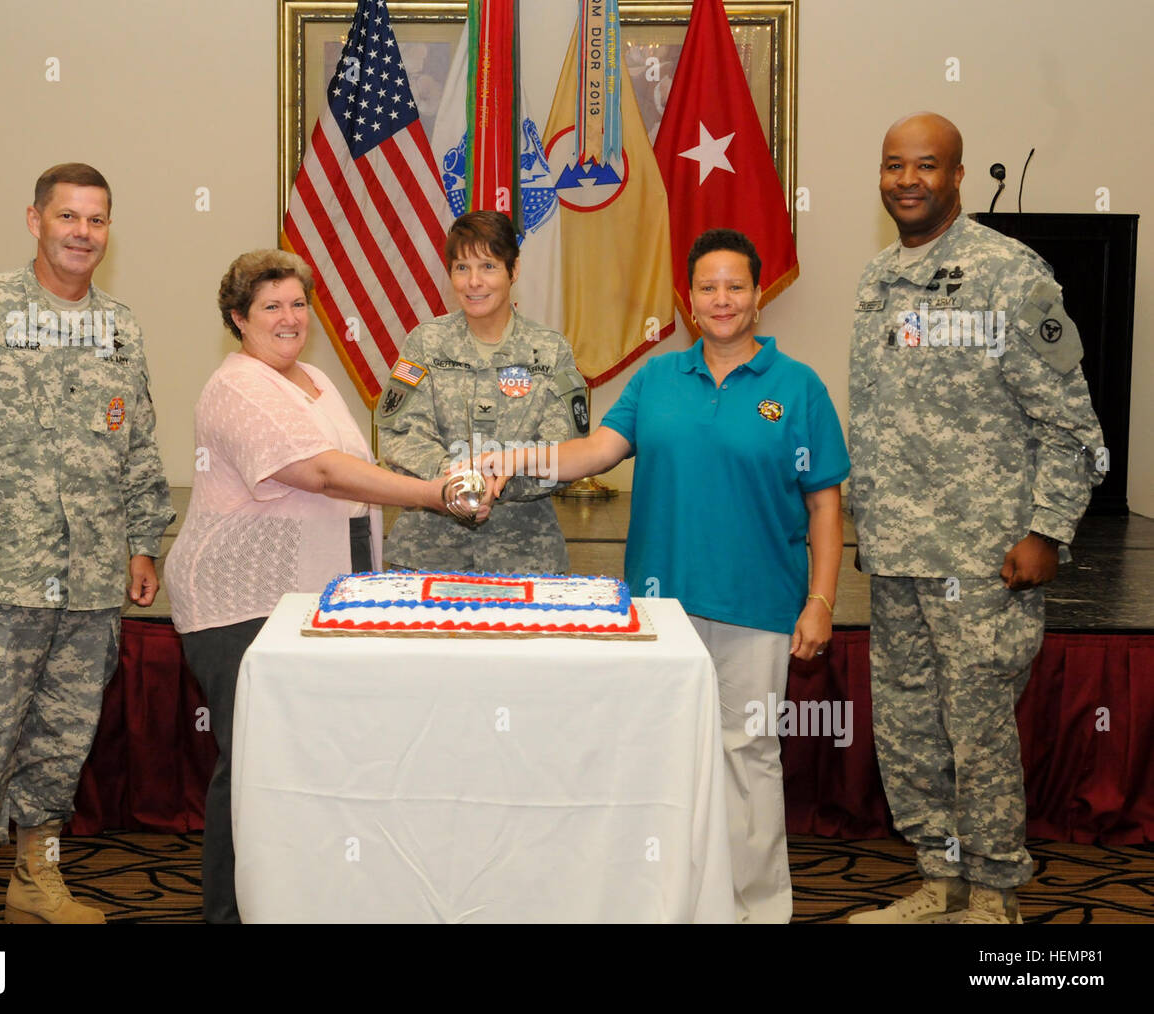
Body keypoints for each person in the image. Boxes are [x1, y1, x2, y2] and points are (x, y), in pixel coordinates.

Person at [478, 228, 850, 922]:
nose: (721, 299)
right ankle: (672, 902)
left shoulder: (798, 388)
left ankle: (757, 908)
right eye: (707, 287)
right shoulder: (655, 381)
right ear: (687, 299)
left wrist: (822, 601)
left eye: (735, 286)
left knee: (749, 757)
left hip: (760, 607)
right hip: (659, 615)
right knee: (664, 758)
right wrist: (512, 460)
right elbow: (593, 454)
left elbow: (825, 503)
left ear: (758, 296)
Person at [0, 163, 174, 924]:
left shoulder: (121, 326)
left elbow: (138, 444)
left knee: (62, 741)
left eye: (97, 220)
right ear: (35, 220)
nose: (83, 233)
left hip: (87, 582)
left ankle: (35, 879)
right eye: (69, 217)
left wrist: (144, 542)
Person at [846, 113, 1104, 925]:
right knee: (910, 726)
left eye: (926, 166)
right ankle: (938, 879)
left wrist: (1048, 529)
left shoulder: (1010, 274)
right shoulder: (878, 277)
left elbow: (1071, 422)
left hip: (984, 558)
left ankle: (993, 894)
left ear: (957, 176)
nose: (907, 180)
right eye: (894, 166)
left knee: (980, 730)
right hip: (897, 554)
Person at [164, 249, 471, 923]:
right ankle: (229, 913)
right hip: (240, 606)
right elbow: (326, 476)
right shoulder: (239, 387)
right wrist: (432, 494)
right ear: (237, 319)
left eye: (298, 303)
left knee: (297, 769)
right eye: (270, 306)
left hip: (310, 606)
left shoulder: (313, 378)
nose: (289, 317)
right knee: (249, 771)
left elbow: (350, 479)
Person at [377, 209, 589, 574]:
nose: (474, 282)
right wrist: (457, 483)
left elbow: (566, 449)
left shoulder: (550, 350)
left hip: (526, 557)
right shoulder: (426, 343)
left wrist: (498, 484)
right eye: (462, 268)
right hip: (427, 556)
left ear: (514, 270)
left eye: (488, 266)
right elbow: (400, 436)